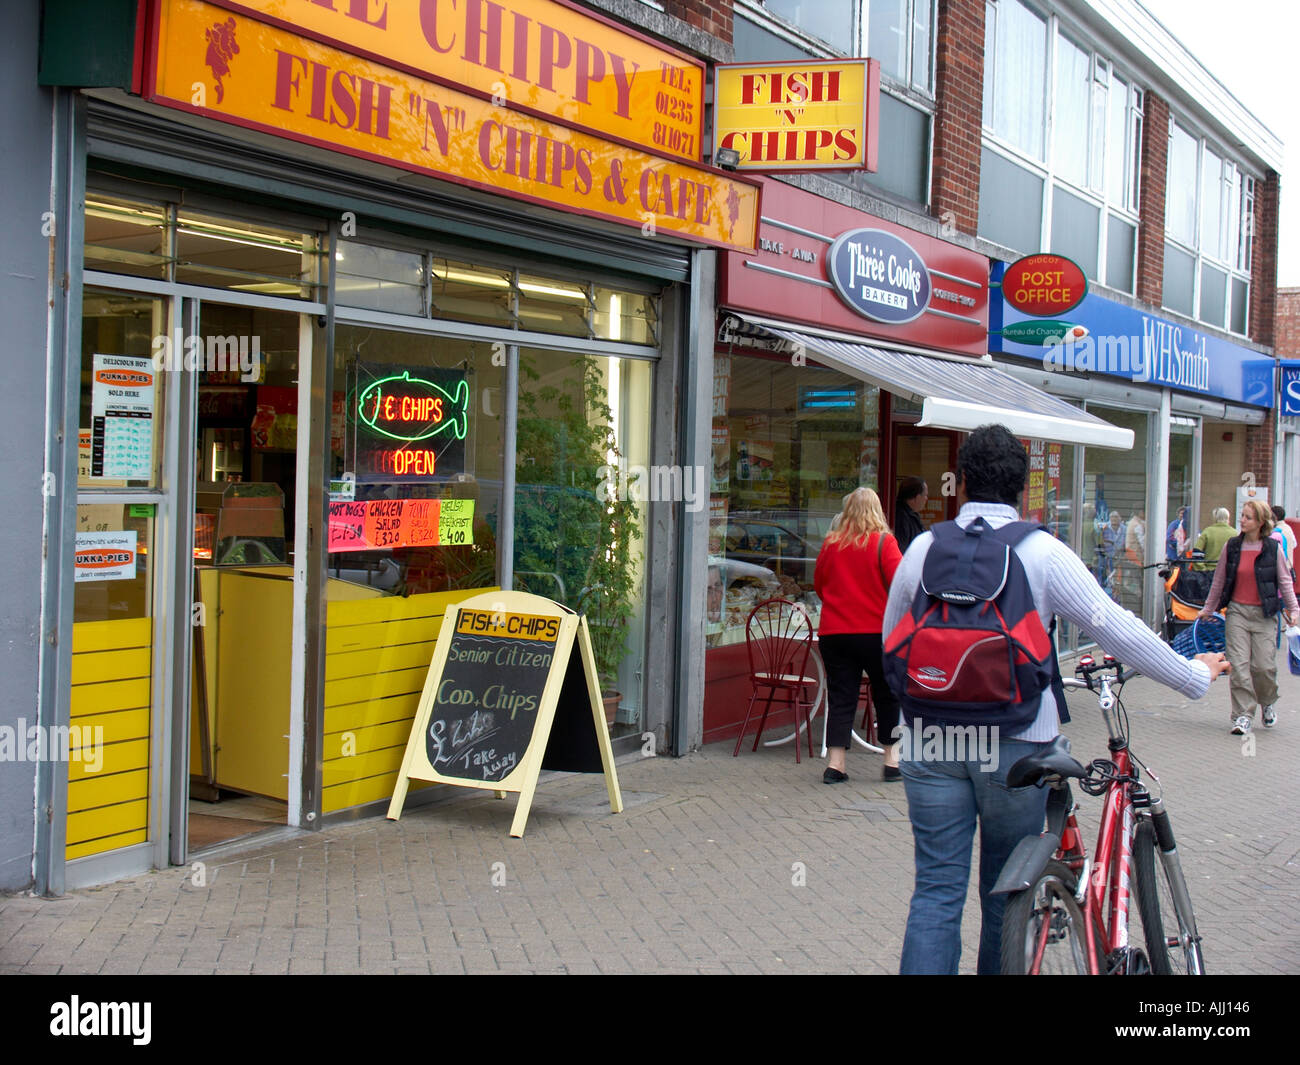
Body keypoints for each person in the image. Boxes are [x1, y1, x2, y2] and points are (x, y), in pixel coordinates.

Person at [882, 425, 1228, 976]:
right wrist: (1194, 676)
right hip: (1017, 746)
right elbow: (1117, 628)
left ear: (962, 482)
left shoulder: (922, 549)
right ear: (1023, 489)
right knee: (1005, 893)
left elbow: (892, 642)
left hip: (930, 740)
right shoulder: (1043, 553)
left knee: (935, 894)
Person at [813, 488, 903, 783]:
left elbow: (819, 586)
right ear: (877, 510)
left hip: (835, 632)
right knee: (887, 695)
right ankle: (891, 761)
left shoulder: (831, 543)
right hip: (876, 631)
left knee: (841, 696)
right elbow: (900, 585)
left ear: (847, 510)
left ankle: (835, 765)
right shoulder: (885, 543)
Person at [1198, 498, 1298, 734]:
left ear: (1261, 522)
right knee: (1239, 666)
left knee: (1263, 668)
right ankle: (1242, 715)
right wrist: (1208, 608)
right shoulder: (1232, 546)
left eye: (1247, 517)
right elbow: (1219, 581)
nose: (1242, 520)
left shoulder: (1273, 548)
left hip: (1264, 615)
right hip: (1237, 613)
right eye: (1241, 515)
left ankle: (1267, 702)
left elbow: (1284, 581)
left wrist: (1294, 611)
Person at [895, 477, 928, 553]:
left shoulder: (911, 515)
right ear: (916, 497)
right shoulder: (901, 518)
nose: (926, 499)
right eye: (925, 495)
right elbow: (902, 549)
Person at [1271, 504, 1296, 575]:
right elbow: (1294, 544)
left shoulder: (1275, 531)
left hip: (1280, 568)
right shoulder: (1288, 528)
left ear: (1275, 517)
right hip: (1289, 566)